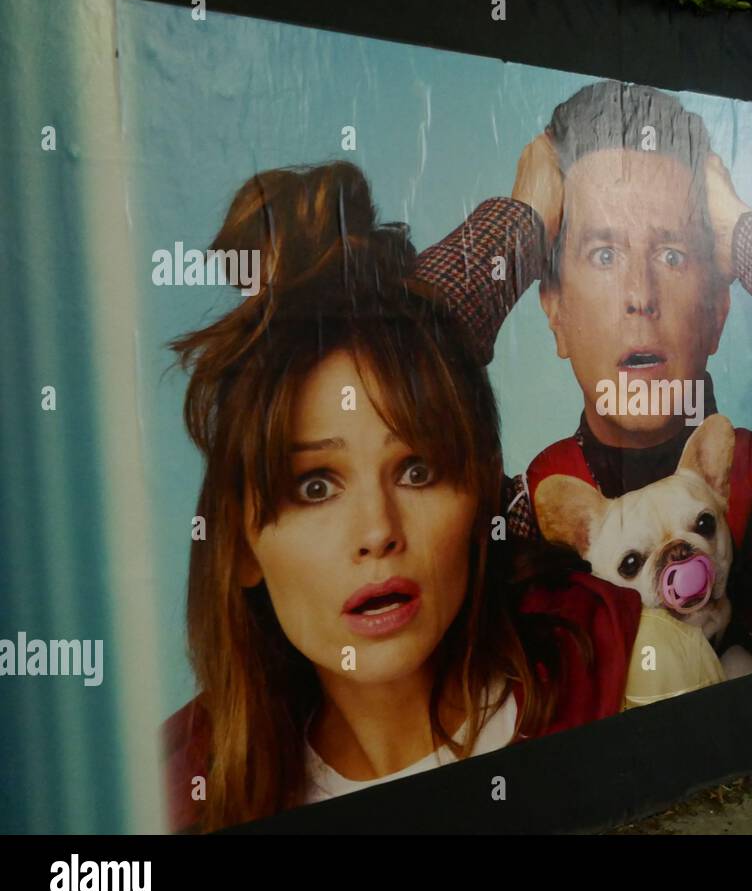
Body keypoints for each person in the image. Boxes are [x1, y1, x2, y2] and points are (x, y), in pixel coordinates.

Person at [161, 162, 641, 833]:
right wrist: (523, 218)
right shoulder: (173, 800)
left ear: (477, 497)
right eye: (315, 485)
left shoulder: (631, 671)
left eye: (416, 470)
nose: (377, 531)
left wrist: (526, 217)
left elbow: (426, 357)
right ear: (241, 547)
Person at [413, 80, 752, 664]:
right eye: (604, 255)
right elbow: (384, 371)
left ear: (718, 314)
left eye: (672, 255)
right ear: (555, 313)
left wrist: (743, 229)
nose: (640, 296)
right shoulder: (520, 522)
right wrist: (521, 224)